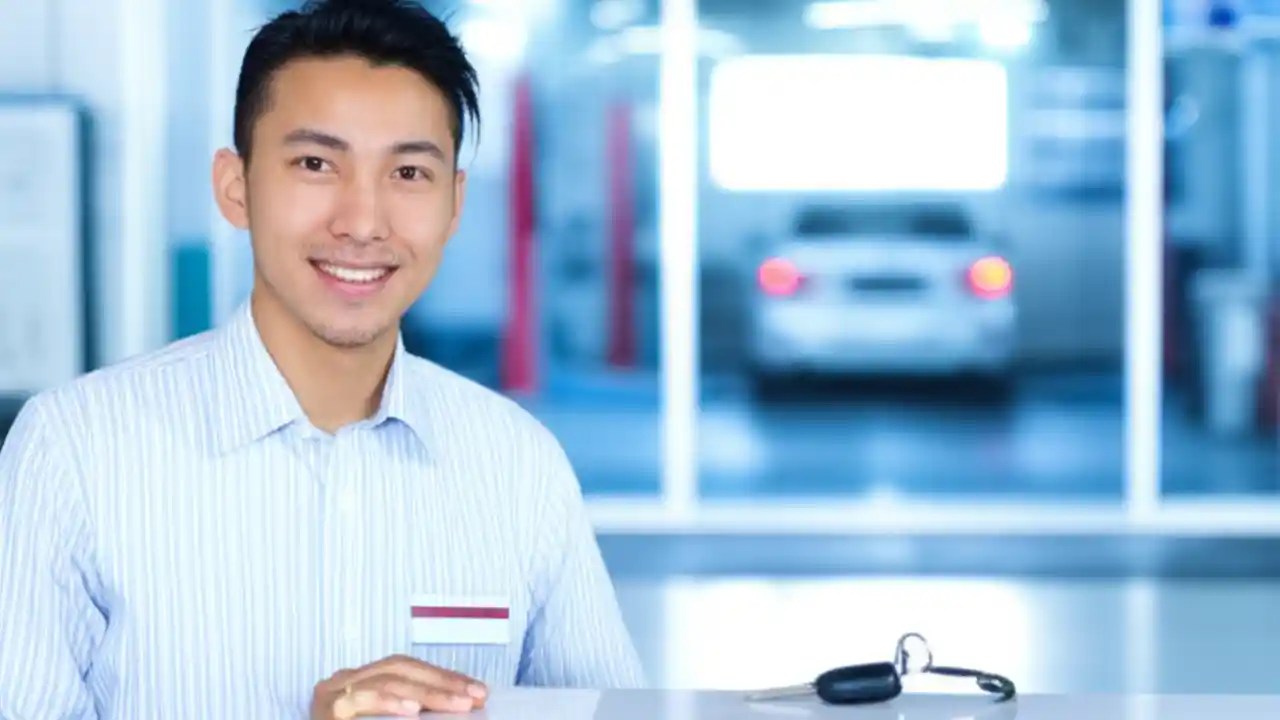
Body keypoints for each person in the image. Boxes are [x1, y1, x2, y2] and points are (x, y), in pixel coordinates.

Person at [0, 1, 645, 717]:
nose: (362, 223)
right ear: (236, 187)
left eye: (408, 172)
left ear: (454, 204)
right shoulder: (75, 451)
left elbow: (612, 712)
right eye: (315, 164)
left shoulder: (517, 465)